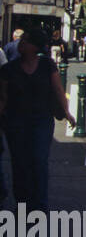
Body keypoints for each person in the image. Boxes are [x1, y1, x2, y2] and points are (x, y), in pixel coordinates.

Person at [0, 28, 71, 212]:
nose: (20, 44)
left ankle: (39, 206)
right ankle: (22, 205)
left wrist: (67, 112)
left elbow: (58, 90)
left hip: (41, 121)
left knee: (39, 161)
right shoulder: (9, 69)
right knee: (20, 163)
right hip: (15, 123)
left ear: (33, 46)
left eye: (25, 41)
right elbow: (3, 98)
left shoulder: (47, 65)